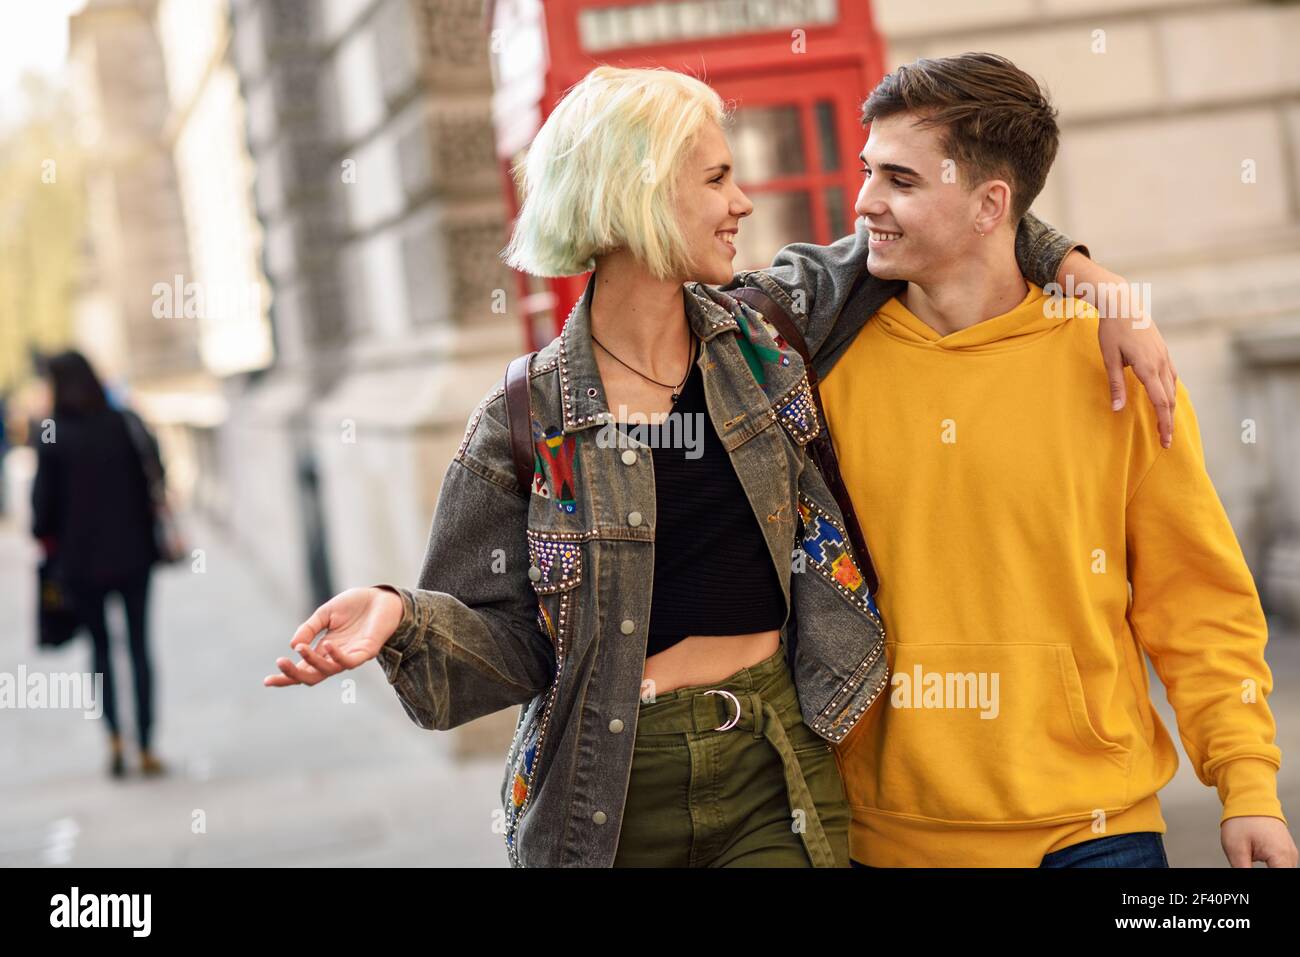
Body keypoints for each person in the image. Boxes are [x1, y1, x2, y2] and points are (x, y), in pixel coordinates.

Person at [263, 65, 1176, 867]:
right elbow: (508, 645)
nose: (743, 200)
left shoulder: (766, 333)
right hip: (609, 793)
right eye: (716, 178)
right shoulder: (521, 418)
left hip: (775, 761)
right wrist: (400, 614)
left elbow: (952, 213)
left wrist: (1095, 281)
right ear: (638, 194)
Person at [788, 52, 1296, 868]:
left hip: (1096, 834)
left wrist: (1247, 783)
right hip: (887, 840)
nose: (865, 202)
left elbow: (1195, 598)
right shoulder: (820, 369)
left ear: (992, 205)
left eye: (901, 181)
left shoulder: (1115, 366)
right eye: (866, 171)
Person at [32, 350, 168, 779]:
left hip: (80, 561)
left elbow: (41, 509)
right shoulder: (123, 421)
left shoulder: (53, 431)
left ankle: (113, 737)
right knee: (140, 645)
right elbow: (157, 473)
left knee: (101, 648)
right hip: (134, 554)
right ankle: (145, 743)